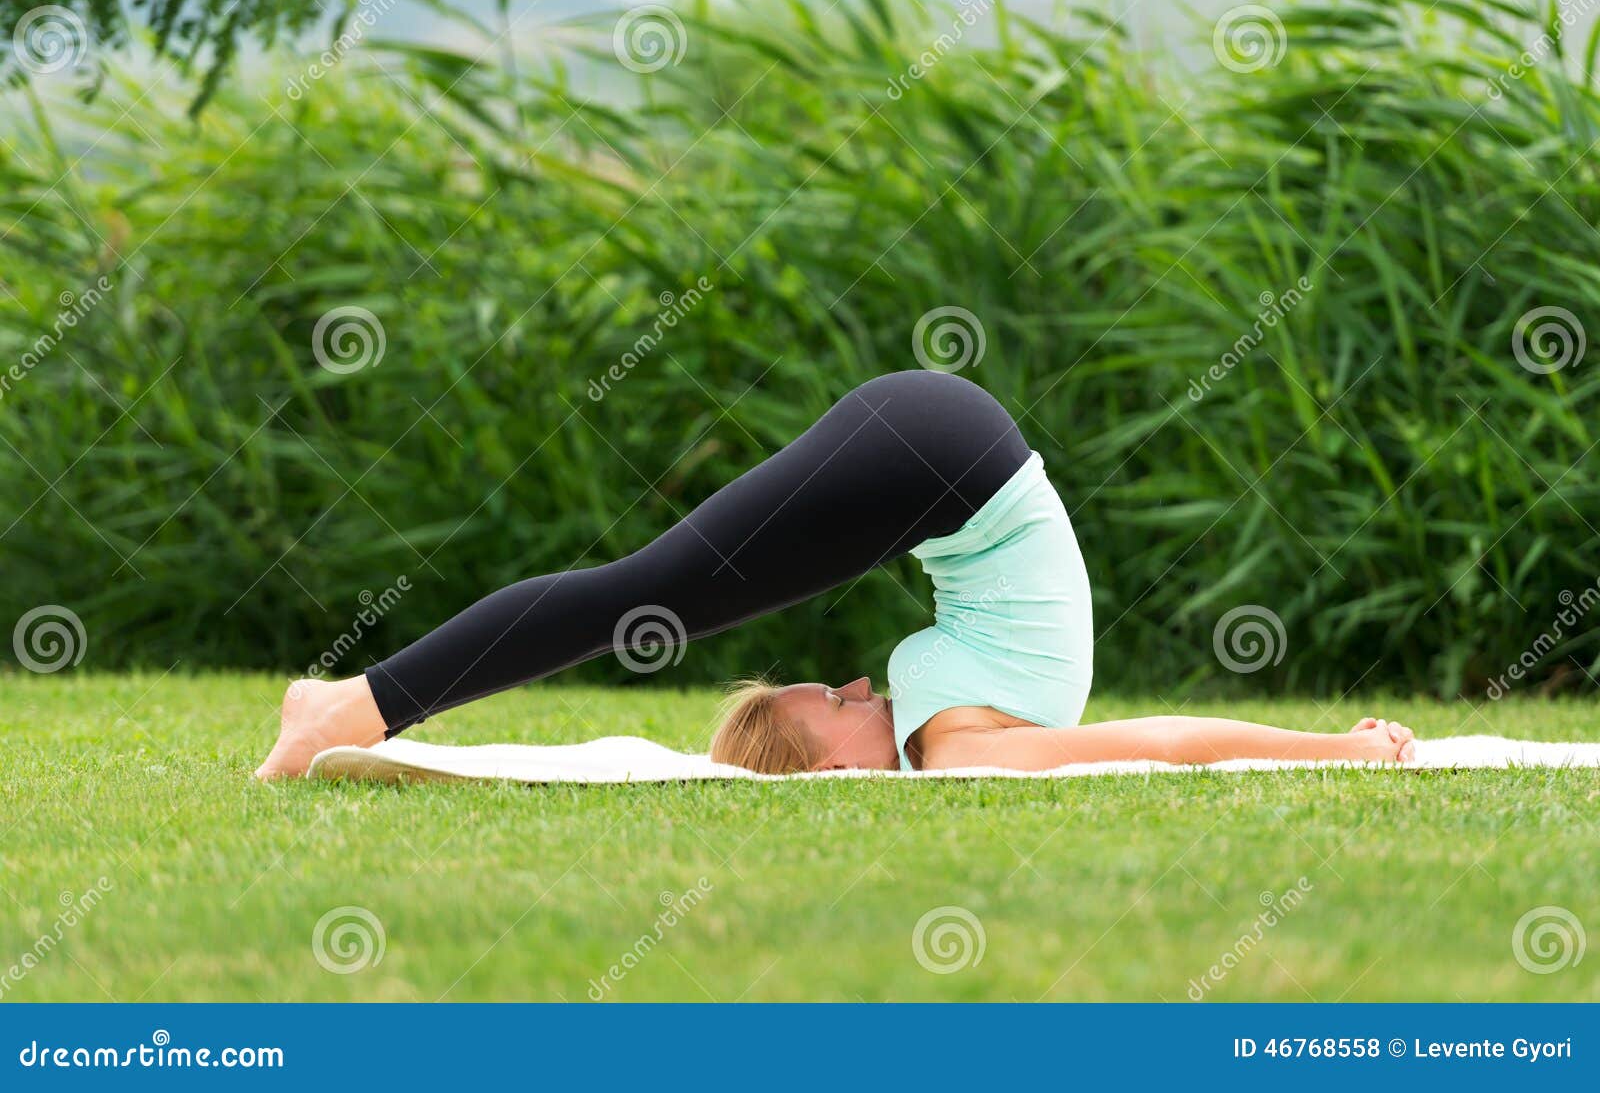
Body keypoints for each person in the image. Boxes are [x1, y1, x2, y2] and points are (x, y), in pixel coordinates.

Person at [256, 370, 1415, 780]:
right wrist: (1338, 750)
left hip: (936, 466)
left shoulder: (945, 735)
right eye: (842, 705)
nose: (857, 688)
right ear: (841, 770)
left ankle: (349, 705)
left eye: (836, 699)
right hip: (938, 462)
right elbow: (1161, 742)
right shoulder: (963, 749)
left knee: (645, 595)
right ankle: (346, 706)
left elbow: (1160, 742)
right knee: (642, 595)